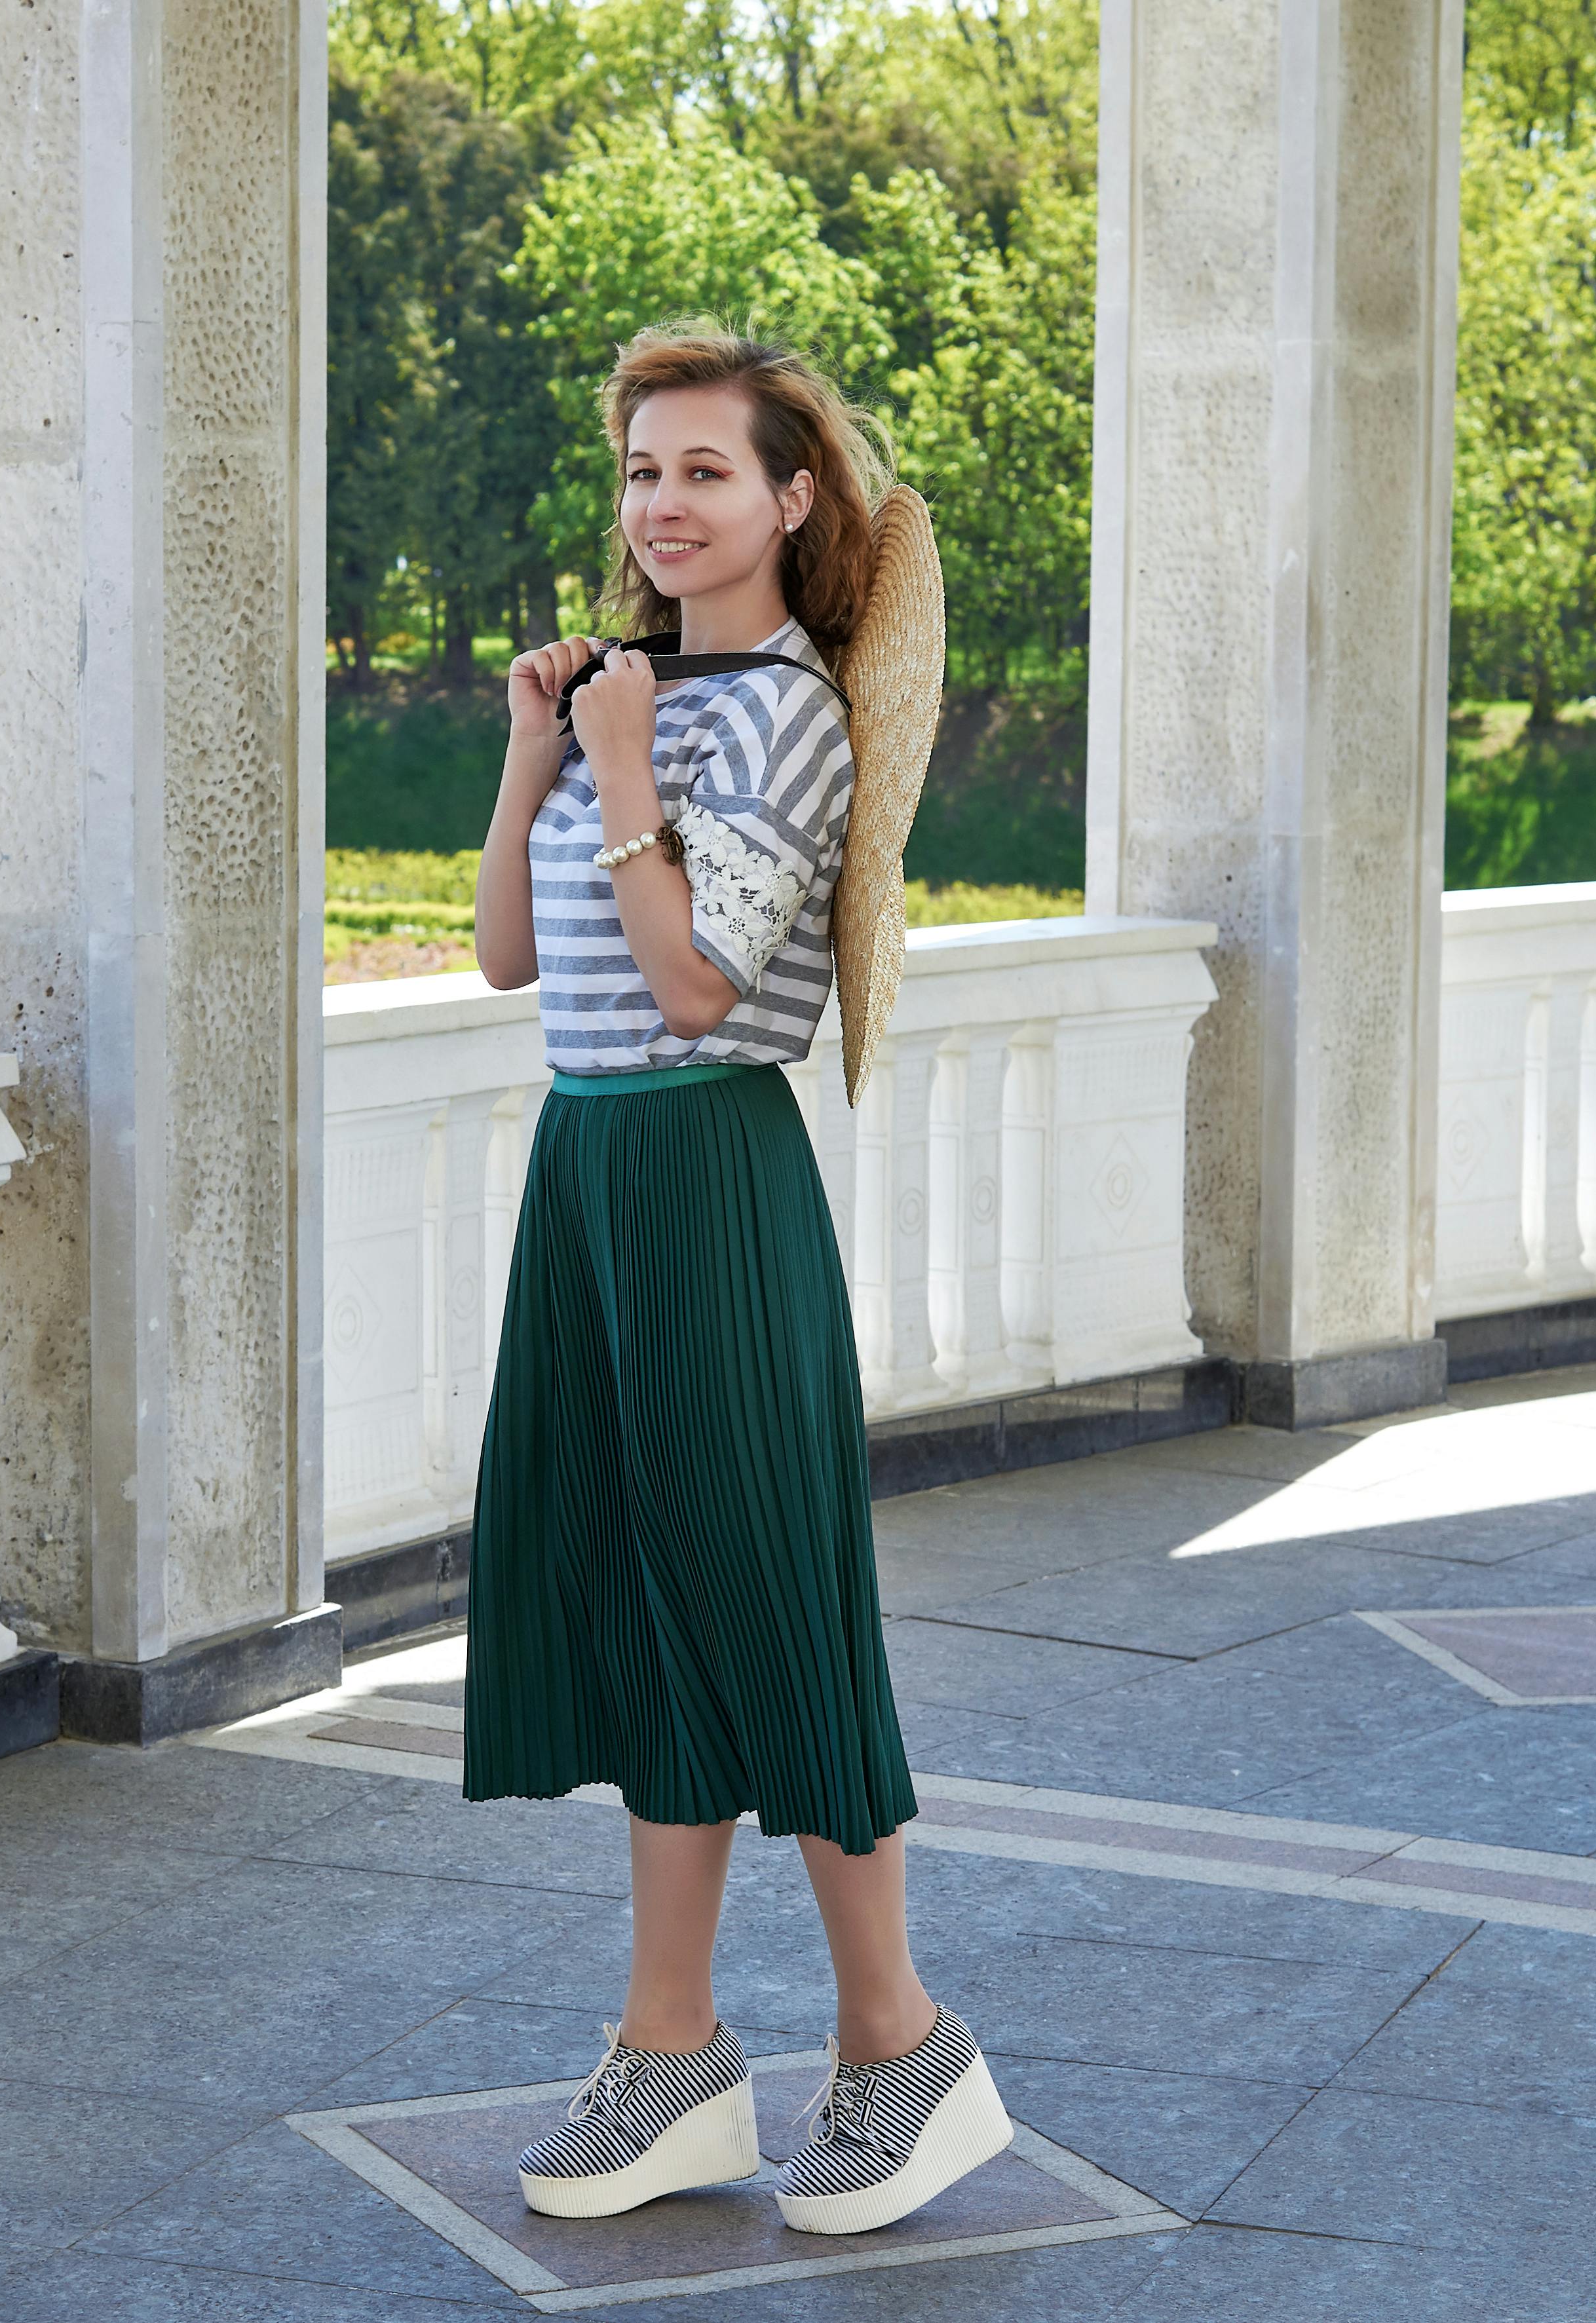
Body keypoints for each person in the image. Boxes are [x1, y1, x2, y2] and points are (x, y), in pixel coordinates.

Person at [463, 324, 1010, 2237]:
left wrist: (616, 762)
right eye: (639, 471)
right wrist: (547, 748)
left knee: (770, 1604)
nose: (661, 505)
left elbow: (701, 988)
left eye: (704, 470)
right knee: (641, 1608)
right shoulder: (623, 695)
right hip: (588, 1162)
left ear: (791, 497)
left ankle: (899, 2041)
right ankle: (673, 2045)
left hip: (706, 1164)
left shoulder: (780, 708)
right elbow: (505, 961)